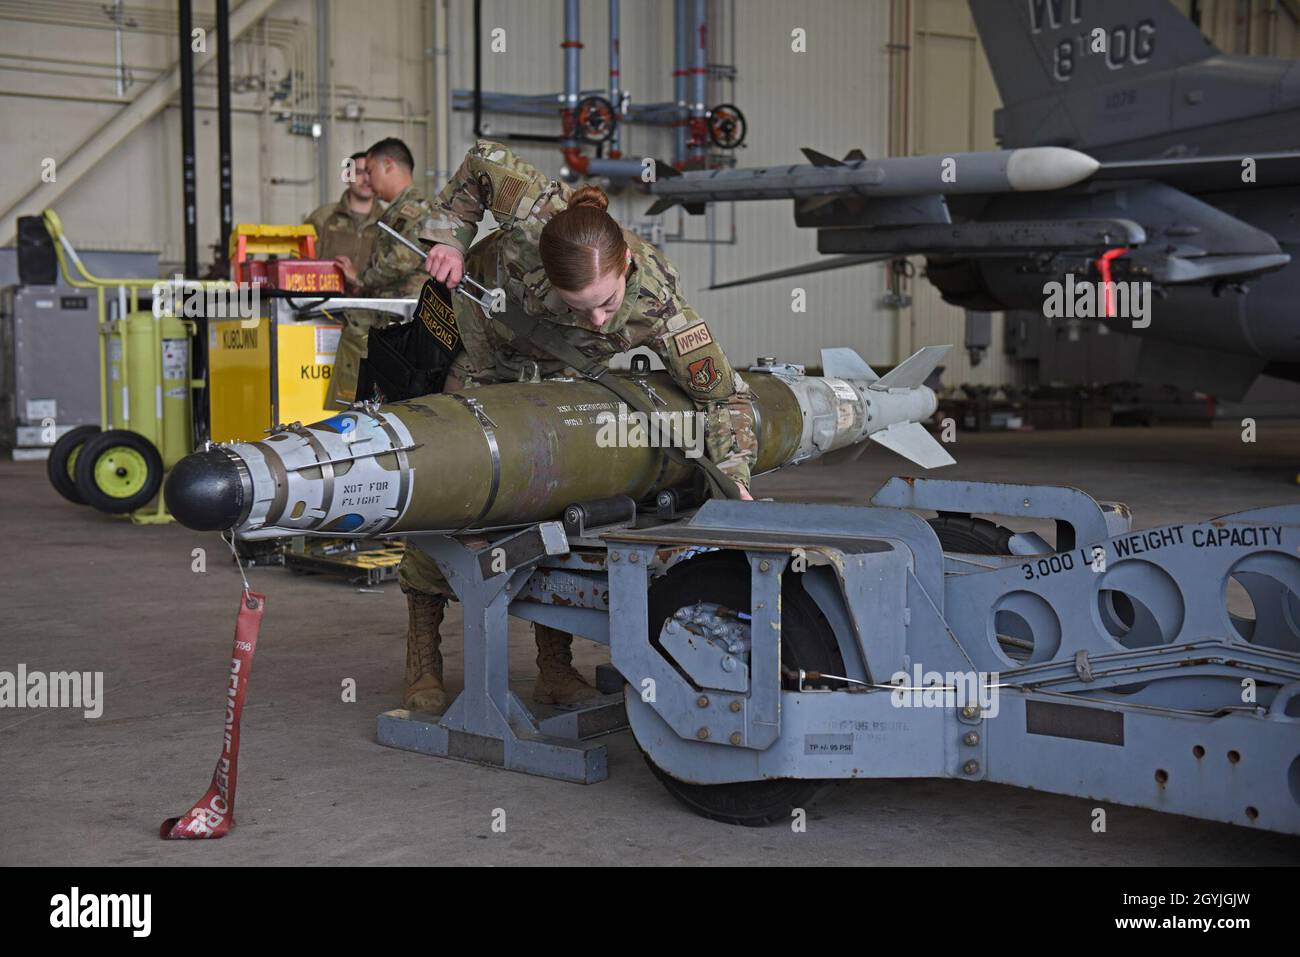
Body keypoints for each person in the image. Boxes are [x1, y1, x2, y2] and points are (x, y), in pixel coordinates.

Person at [395, 139, 758, 715]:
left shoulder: (660, 307)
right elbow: (484, 158)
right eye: (578, 305)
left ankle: (554, 669)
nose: (595, 319)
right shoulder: (538, 213)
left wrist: (733, 477)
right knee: (445, 495)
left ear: (625, 268)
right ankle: (423, 658)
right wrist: (450, 237)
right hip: (474, 355)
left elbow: (723, 398)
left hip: (552, 382)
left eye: (606, 304)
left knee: (548, 505)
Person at [327, 138, 436, 407]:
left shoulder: (413, 210)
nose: (370, 181)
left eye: (371, 170)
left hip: (406, 318)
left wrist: (360, 279)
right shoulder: (399, 210)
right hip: (395, 318)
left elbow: (400, 259)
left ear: (388, 166)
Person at [305, 150, 381, 265]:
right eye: (359, 172)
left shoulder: (388, 222)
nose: (366, 179)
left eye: (370, 173)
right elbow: (299, 264)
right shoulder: (322, 217)